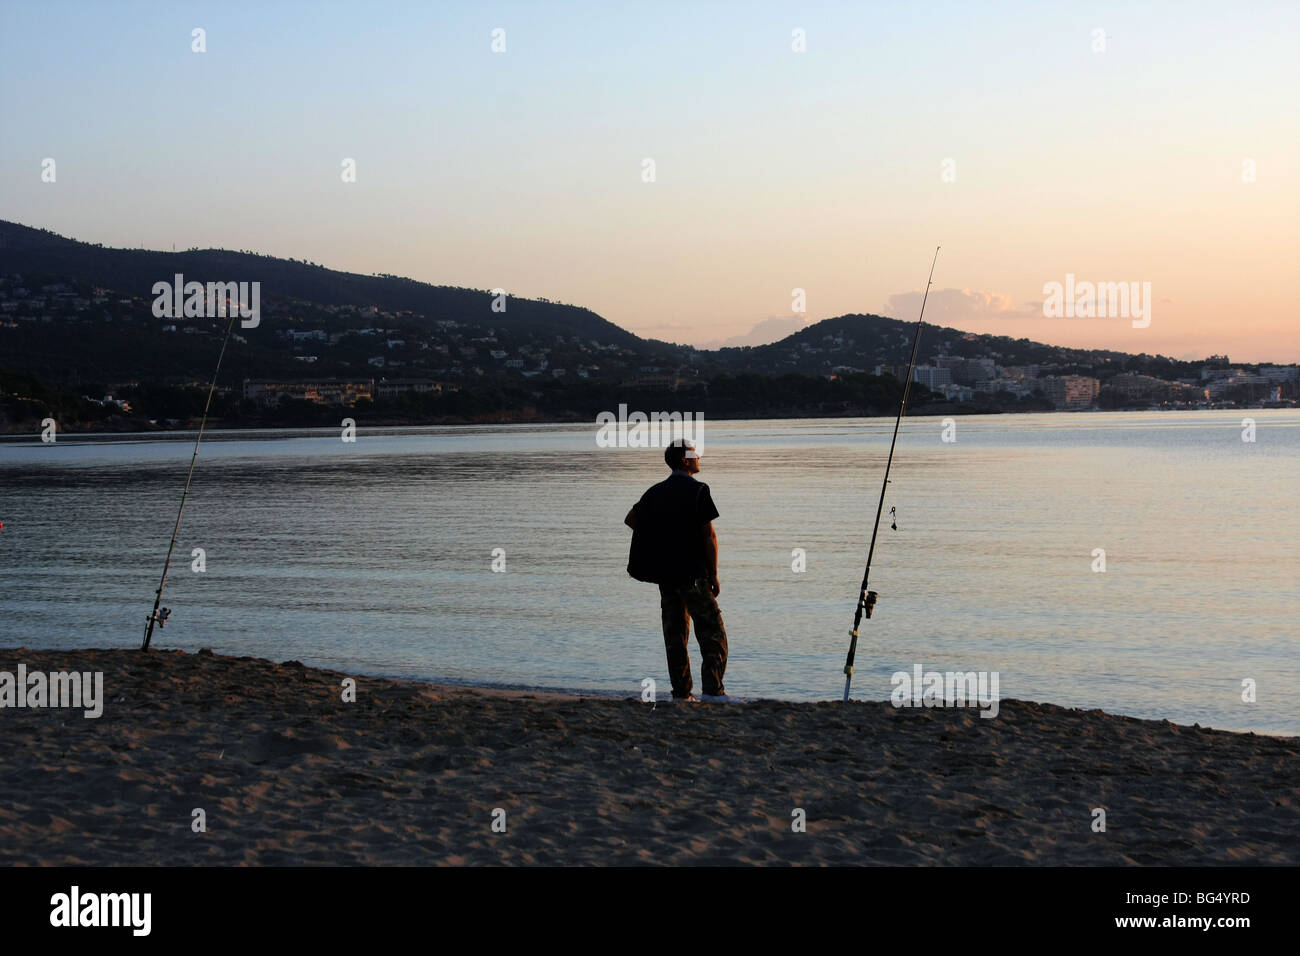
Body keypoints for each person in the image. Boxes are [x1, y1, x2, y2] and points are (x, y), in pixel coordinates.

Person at [624, 438, 729, 701]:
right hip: (693, 574)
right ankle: (713, 692)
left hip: (667, 576)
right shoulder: (698, 491)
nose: (699, 458)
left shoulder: (654, 492)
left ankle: (682, 693)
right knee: (712, 633)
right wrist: (714, 574)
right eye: (695, 454)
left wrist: (662, 536)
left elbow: (632, 519)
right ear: (685, 460)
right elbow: (709, 537)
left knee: (675, 636)